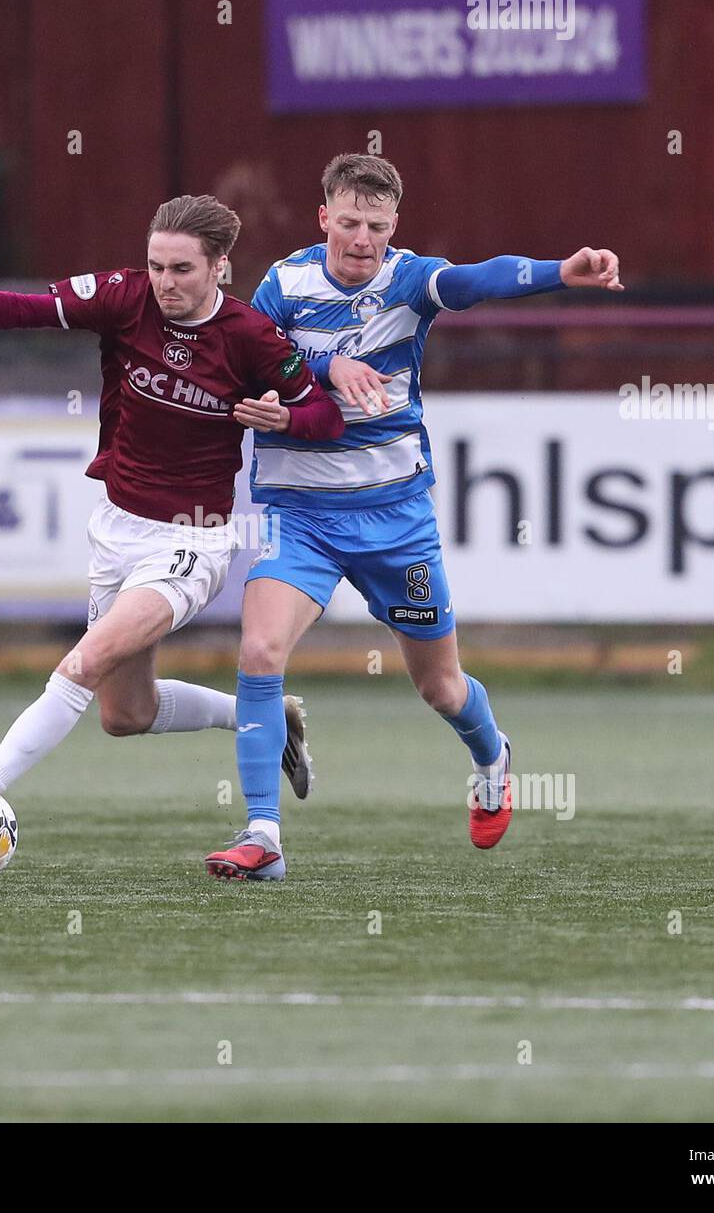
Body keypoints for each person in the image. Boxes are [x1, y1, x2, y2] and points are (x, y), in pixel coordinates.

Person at [0, 194, 345, 820]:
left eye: (181, 269)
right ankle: (265, 716)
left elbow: (327, 415)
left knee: (85, 659)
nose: (164, 281)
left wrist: (288, 416)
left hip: (192, 540)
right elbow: (22, 310)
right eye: (156, 265)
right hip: (117, 528)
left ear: (219, 268)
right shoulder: (124, 298)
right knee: (126, 715)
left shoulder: (250, 338)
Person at [204, 155, 622, 882]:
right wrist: (316, 374)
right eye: (348, 222)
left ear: (393, 228)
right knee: (261, 653)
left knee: (441, 687)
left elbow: (479, 278)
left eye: (376, 225)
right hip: (297, 514)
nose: (360, 237)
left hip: (394, 518)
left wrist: (563, 269)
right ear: (323, 218)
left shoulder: (409, 281)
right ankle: (263, 835)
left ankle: (492, 757)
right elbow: (247, 357)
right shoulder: (285, 283)